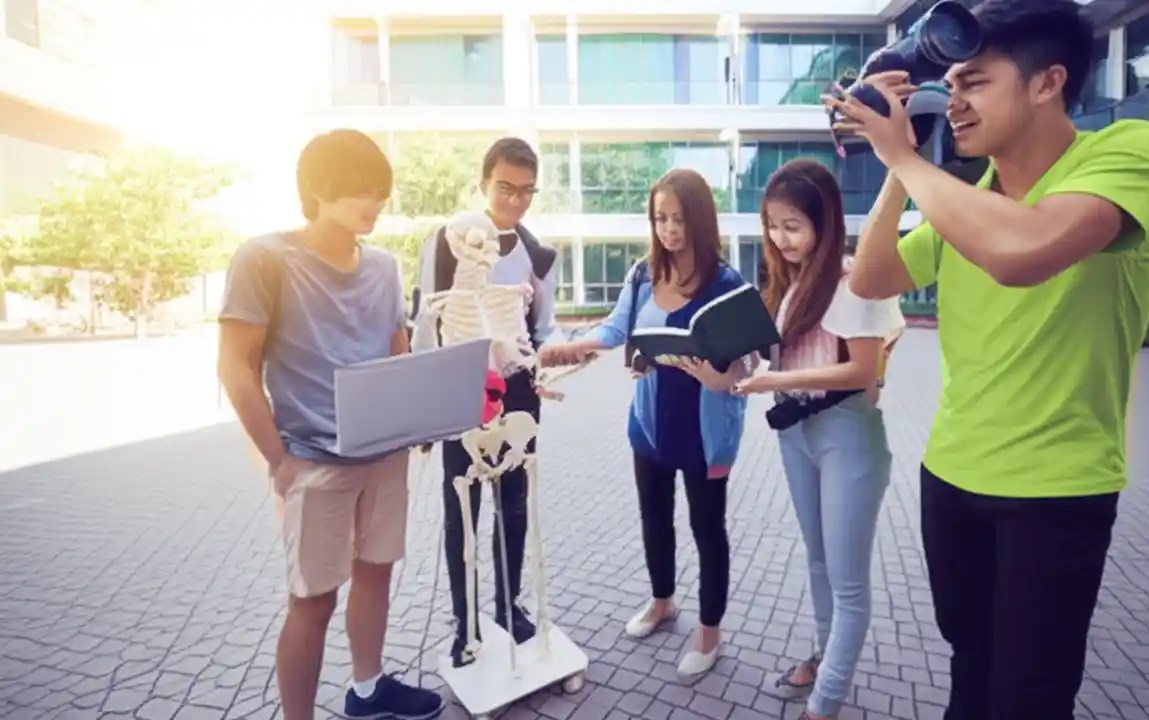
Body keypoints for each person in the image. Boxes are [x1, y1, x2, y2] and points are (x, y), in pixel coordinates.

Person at [824, 1, 1149, 718]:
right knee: (970, 669)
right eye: (947, 84)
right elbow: (871, 278)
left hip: (1056, 491)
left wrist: (899, 155)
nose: (952, 99)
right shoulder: (968, 200)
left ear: (1047, 83)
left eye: (975, 82)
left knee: (1028, 698)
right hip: (951, 477)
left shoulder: (1132, 149)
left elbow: (1023, 251)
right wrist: (907, 160)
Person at [217, 129, 444, 720]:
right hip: (313, 458)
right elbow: (236, 369)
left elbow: (395, 354)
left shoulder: (384, 267)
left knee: (376, 575)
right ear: (318, 189)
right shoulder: (265, 258)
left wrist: (428, 409)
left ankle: (368, 691)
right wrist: (279, 460)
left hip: (384, 454)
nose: (372, 204)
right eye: (358, 191)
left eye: (379, 193)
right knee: (312, 602)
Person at [538, 168, 751, 678]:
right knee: (654, 520)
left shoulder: (728, 284)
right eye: (660, 218)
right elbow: (616, 329)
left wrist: (719, 372)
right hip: (650, 426)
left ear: (700, 219)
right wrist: (571, 346)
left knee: (707, 530)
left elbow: (746, 363)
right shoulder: (642, 274)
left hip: (706, 434)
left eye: (679, 219)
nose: (669, 230)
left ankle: (709, 631)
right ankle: (662, 602)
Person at [733, 159, 903, 720]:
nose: (780, 240)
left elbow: (862, 370)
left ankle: (825, 701)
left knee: (848, 580)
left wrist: (776, 379)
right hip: (796, 433)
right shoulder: (789, 287)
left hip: (847, 434)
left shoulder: (855, 280)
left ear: (824, 224)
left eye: (792, 226)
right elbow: (758, 363)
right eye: (772, 226)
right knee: (818, 562)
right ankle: (825, 655)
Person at [410, 136, 560, 668]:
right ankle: (465, 621)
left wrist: (544, 368)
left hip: (518, 385)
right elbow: (424, 320)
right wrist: (426, 407)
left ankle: (509, 606)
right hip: (460, 383)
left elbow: (544, 326)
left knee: (514, 502)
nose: (516, 200)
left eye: (527, 191)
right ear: (483, 184)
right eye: (505, 188)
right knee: (461, 507)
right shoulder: (448, 241)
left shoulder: (538, 253)